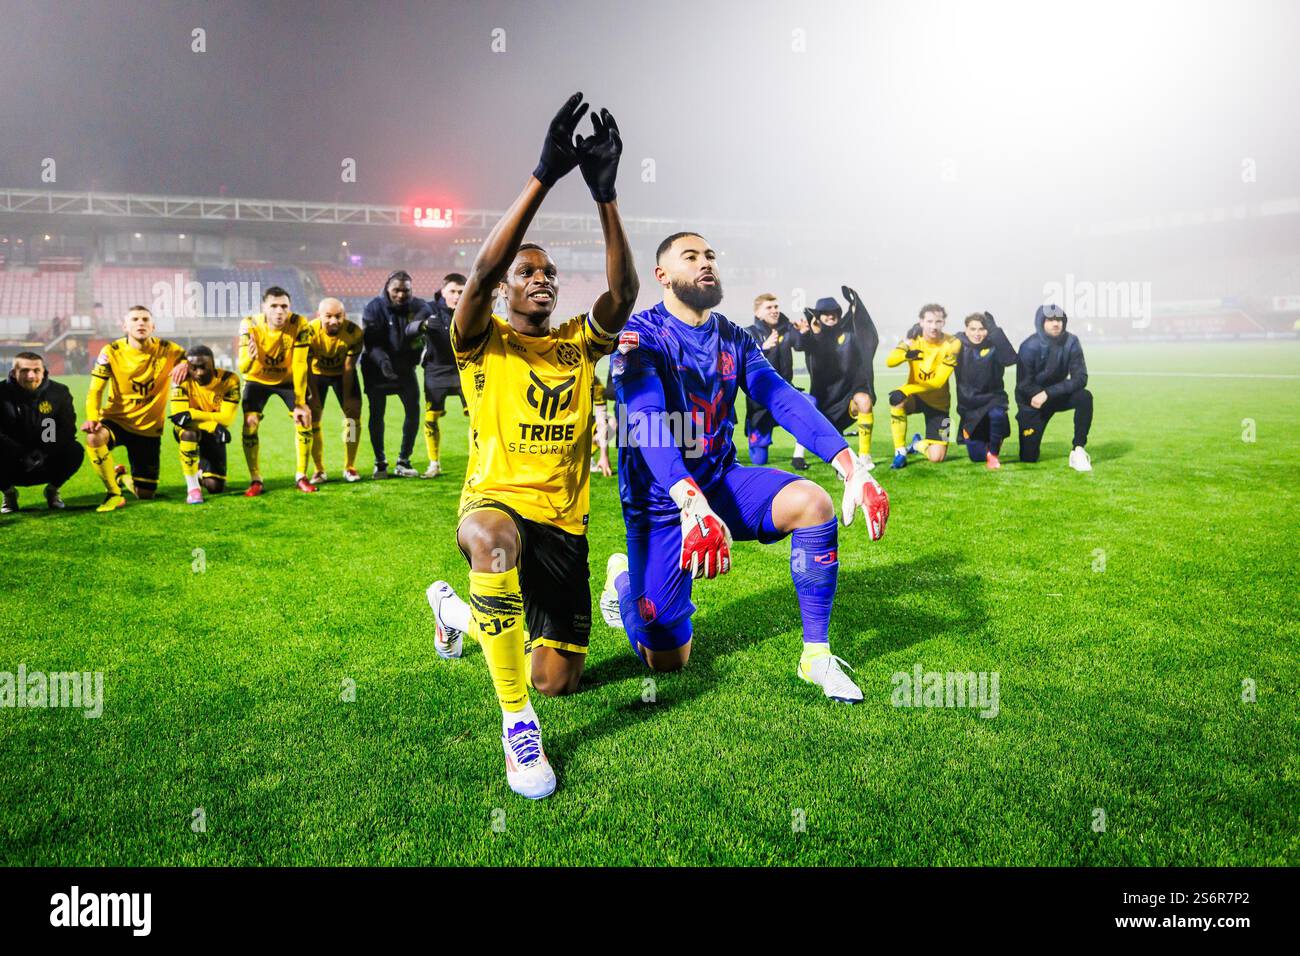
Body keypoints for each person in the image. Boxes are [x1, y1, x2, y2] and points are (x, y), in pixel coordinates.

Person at [423, 93, 637, 800]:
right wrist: (544, 174)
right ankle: (518, 729)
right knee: (491, 542)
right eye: (527, 272)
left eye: (548, 273)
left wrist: (604, 194)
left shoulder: (579, 341)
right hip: (497, 505)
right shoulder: (481, 340)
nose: (539, 278)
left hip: (565, 527)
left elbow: (625, 290)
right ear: (508, 289)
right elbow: (479, 274)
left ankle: (453, 613)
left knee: (560, 680)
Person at [598, 232, 889, 706]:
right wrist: (689, 500)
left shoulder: (733, 337)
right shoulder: (640, 334)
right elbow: (647, 422)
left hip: (721, 482)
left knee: (811, 503)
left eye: (709, 255)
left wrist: (849, 465)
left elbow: (781, 398)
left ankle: (815, 656)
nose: (705, 263)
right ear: (662, 275)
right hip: (661, 501)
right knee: (667, 660)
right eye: (689, 257)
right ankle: (624, 580)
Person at [82, 305, 189, 511]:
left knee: (145, 494)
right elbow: (95, 390)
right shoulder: (111, 351)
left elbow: (190, 358)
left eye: (145, 319)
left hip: (149, 428)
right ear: (125, 326)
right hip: (117, 420)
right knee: (94, 437)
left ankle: (121, 476)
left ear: (153, 326)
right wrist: (93, 418)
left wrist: (185, 363)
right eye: (135, 319)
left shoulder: (169, 349)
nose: (141, 323)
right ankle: (114, 493)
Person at [791, 286, 880, 470]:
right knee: (808, 407)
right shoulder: (813, 334)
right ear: (819, 316)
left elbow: (867, 332)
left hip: (848, 395)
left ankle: (864, 456)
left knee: (864, 401)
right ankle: (798, 455)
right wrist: (806, 332)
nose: (830, 317)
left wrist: (855, 304)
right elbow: (799, 345)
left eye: (834, 313)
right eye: (825, 314)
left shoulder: (850, 334)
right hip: (823, 398)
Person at [237, 286, 314, 495]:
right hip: (256, 378)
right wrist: (250, 357)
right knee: (250, 423)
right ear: (264, 307)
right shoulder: (249, 324)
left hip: (287, 380)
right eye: (274, 306)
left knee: (304, 417)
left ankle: (301, 476)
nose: (279, 311)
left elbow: (299, 364)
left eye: (284, 306)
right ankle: (256, 479)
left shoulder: (300, 323)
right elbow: (243, 367)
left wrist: (300, 401)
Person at [360, 271, 429, 478]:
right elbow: (372, 343)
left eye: (405, 290)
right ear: (387, 288)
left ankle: (403, 461)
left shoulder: (419, 307)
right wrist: (384, 364)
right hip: (376, 368)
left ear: (411, 290)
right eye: (396, 290)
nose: (400, 295)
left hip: (405, 369)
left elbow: (418, 326)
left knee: (413, 411)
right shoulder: (374, 307)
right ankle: (380, 462)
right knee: (376, 414)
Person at [0, 352, 84, 514]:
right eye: (24, 371)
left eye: (36, 370)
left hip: (46, 460)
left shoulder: (59, 392)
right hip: (10, 462)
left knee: (75, 450)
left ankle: (52, 490)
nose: (31, 376)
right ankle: (9, 493)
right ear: (13, 372)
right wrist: (21, 453)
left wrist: (44, 452)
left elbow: (67, 429)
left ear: (44, 371)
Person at [1015, 304, 1093, 471]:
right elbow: (1024, 385)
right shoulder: (1029, 346)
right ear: (1041, 322)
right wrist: (1039, 395)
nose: (1056, 324)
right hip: (1032, 402)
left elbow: (1081, 378)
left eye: (1059, 319)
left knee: (1084, 397)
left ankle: (1078, 449)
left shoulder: (1071, 342)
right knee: (1028, 458)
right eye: (1050, 320)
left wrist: (1048, 393)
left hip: (1056, 396)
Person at [885, 304, 961, 469]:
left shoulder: (952, 344)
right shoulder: (913, 340)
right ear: (921, 322)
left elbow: (937, 382)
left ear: (944, 322)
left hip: (939, 403)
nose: (934, 326)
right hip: (916, 397)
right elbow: (890, 361)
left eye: (938, 321)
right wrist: (906, 352)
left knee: (937, 457)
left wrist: (905, 389)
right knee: (897, 401)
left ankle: (917, 444)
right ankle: (900, 452)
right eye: (929, 321)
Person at [168, 344, 240, 503]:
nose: (199, 372)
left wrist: (192, 413)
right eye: (194, 368)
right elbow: (180, 418)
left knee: (215, 487)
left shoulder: (230, 380)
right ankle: (193, 488)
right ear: (188, 367)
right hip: (196, 429)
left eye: (204, 367)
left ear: (213, 365)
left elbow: (227, 418)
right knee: (189, 433)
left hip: (214, 433)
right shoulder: (180, 381)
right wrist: (212, 425)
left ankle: (199, 471)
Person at [304, 297, 364, 483]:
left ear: (344, 315)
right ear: (319, 316)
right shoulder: (308, 331)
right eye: (328, 316)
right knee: (313, 418)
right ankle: (318, 470)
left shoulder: (354, 332)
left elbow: (349, 368)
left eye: (338, 316)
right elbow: (306, 365)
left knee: (353, 417)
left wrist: (347, 398)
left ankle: (350, 467)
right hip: (316, 374)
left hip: (342, 374)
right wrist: (313, 396)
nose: (333, 321)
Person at [418, 273, 467, 478]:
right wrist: (421, 326)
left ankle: (478, 462)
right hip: (436, 370)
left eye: (461, 292)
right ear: (443, 291)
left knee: (477, 417)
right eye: (453, 291)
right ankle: (434, 463)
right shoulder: (429, 309)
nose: (457, 296)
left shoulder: (472, 307)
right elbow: (412, 327)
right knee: (431, 417)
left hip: (465, 369)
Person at [954, 312, 1017, 469]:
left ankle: (994, 454)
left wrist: (995, 331)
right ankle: (985, 439)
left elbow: (1010, 359)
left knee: (997, 414)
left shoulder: (994, 345)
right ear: (966, 330)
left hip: (993, 399)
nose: (977, 333)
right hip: (970, 405)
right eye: (973, 329)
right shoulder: (957, 344)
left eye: (982, 329)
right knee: (977, 457)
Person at [743, 293, 799, 467]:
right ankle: (757, 438)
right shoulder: (748, 333)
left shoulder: (788, 329)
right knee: (759, 460)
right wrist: (762, 348)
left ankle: (799, 457)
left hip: (784, 395)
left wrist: (805, 333)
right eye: (769, 307)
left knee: (810, 405)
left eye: (776, 307)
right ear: (758, 313)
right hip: (760, 404)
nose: (774, 311)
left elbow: (801, 344)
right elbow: (742, 362)